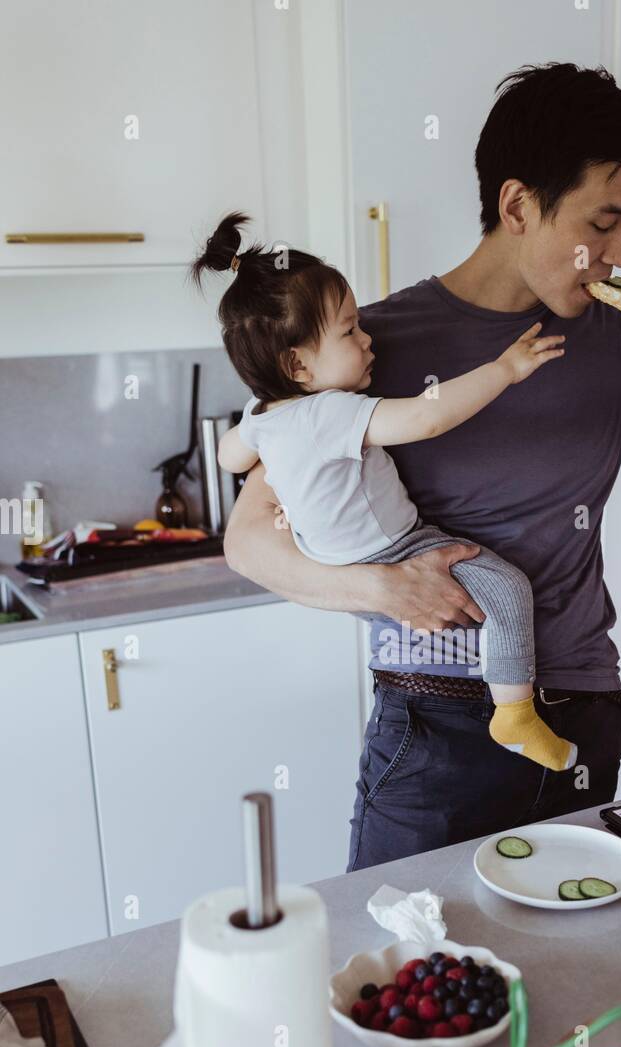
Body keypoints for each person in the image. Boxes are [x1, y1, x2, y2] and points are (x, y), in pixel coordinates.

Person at [222, 64, 621, 872]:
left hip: (584, 715)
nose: (620, 254)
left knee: (576, 964)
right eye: (605, 222)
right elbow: (248, 540)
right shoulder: (373, 346)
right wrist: (382, 588)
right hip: (438, 724)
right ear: (518, 206)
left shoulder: (616, 339)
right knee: (407, 961)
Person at [191, 212, 576, 772]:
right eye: (349, 331)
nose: (368, 338)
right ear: (297, 363)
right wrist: (505, 370)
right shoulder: (330, 411)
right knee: (509, 588)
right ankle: (513, 711)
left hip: (334, 558)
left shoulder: (263, 416)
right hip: (392, 549)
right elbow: (426, 418)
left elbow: (229, 457)